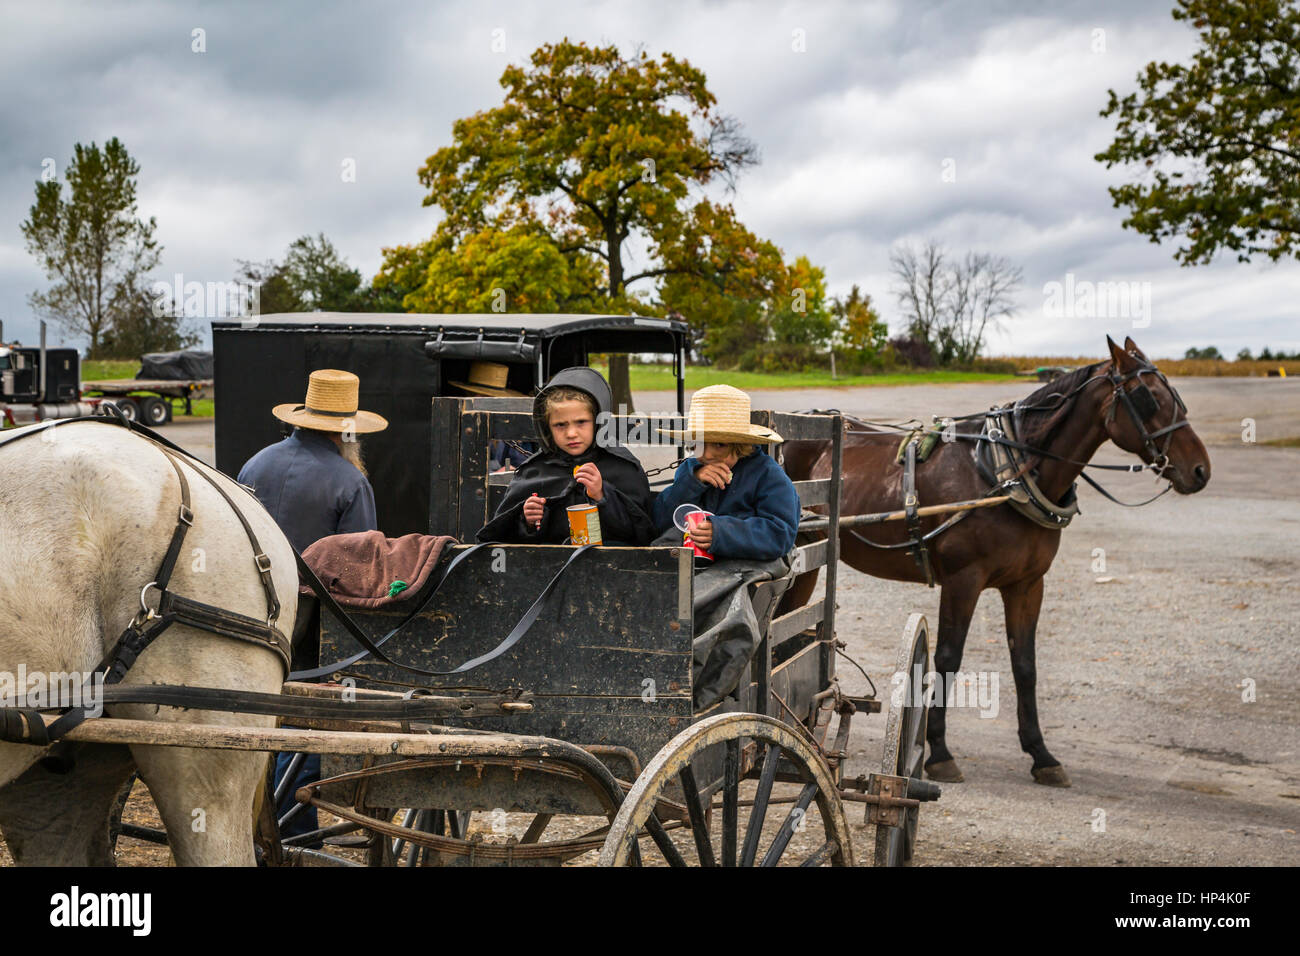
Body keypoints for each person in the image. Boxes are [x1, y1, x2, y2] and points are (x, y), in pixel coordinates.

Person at [238, 368, 389, 847]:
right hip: (312, 622)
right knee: (306, 723)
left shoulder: (254, 464)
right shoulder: (348, 480)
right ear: (346, 429)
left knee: (256, 718)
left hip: (248, 608)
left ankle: (256, 826)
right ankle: (296, 834)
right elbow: (359, 569)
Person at [476, 367, 655, 545]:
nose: (571, 433)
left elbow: (642, 535)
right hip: (547, 569)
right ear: (547, 427)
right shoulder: (534, 471)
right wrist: (529, 522)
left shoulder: (623, 467)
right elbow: (505, 541)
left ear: (599, 421)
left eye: (581, 422)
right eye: (560, 425)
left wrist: (602, 495)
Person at [652, 384, 799, 561]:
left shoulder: (767, 474)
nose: (706, 454)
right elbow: (661, 520)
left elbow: (780, 534)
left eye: (719, 445)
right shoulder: (690, 470)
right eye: (699, 444)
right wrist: (692, 483)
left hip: (742, 565)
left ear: (740, 445)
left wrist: (721, 532)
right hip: (689, 560)